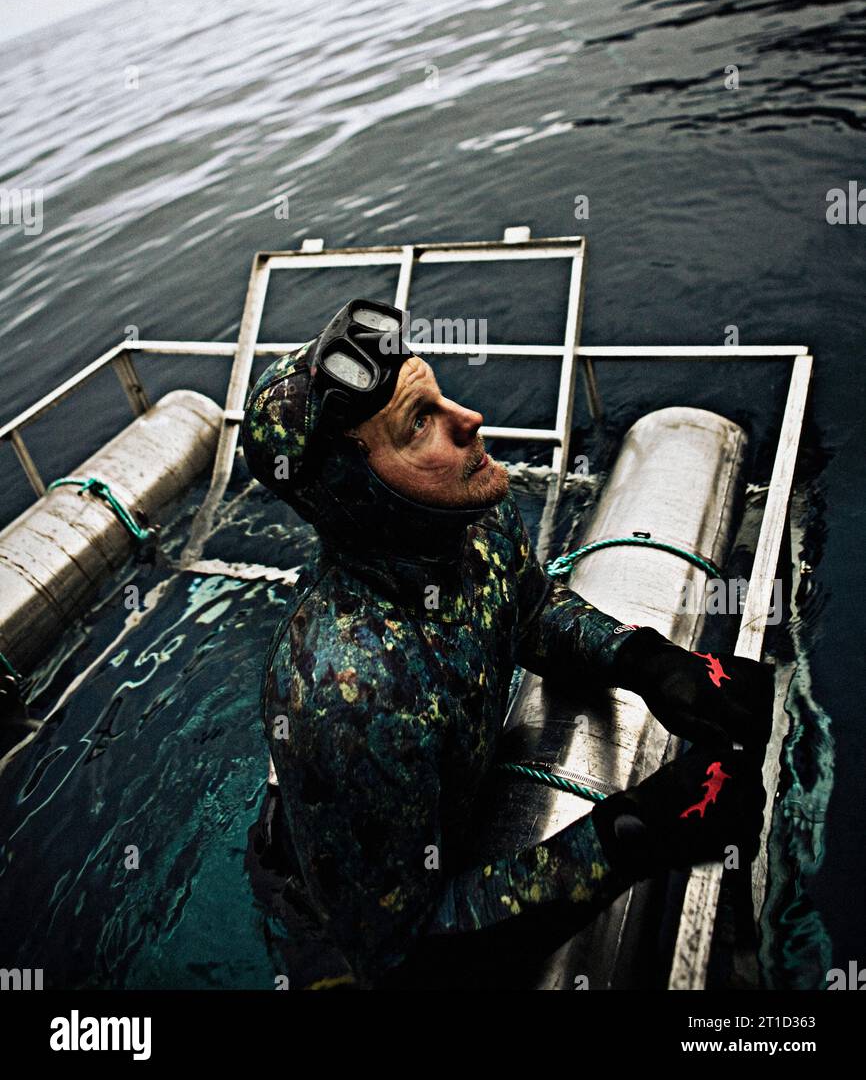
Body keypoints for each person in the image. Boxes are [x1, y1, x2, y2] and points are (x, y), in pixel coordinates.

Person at [241, 299, 772, 990]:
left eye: (437, 395)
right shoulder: (347, 692)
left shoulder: (467, 522)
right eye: (419, 423)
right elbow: (403, 956)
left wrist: (648, 662)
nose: (470, 421)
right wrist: (632, 832)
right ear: (358, 492)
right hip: (337, 921)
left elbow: (527, 607)